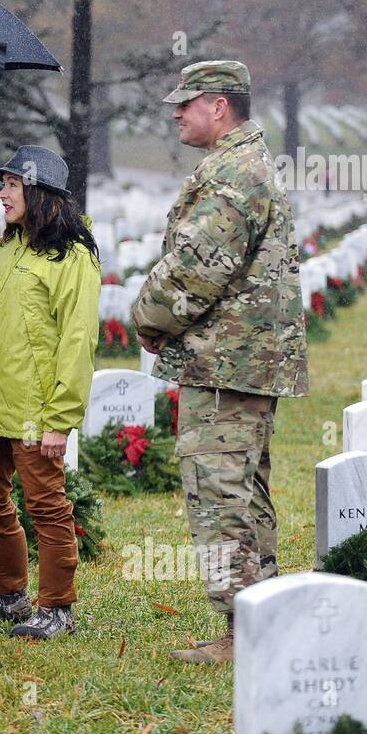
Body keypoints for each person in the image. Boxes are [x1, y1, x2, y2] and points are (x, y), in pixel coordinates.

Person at [132, 61, 309, 663]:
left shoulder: (233, 172)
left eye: (186, 104)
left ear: (219, 107)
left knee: (219, 495)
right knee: (246, 492)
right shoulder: (247, 165)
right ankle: (263, 619)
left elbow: (197, 267)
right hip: (242, 361)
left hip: (226, 361)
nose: (176, 114)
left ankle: (241, 631)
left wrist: (149, 319)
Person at [0, 146, 101, 640]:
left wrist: (61, 419)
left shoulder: (73, 259)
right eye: (3, 184)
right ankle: (10, 595)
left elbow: (78, 340)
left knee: (47, 506)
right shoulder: (2, 252)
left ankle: (58, 608)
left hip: (36, 411)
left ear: (39, 194)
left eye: (12, 185)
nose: (2, 193)